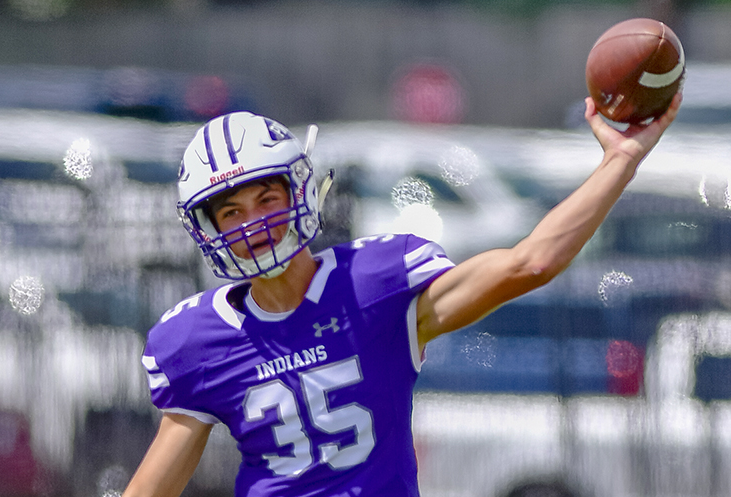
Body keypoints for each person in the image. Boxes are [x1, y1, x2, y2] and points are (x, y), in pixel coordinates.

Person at [122, 94, 681, 497]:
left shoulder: (372, 285)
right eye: (231, 212)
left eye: (267, 199)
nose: (253, 224)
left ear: (299, 190)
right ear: (208, 229)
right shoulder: (196, 342)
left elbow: (530, 262)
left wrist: (621, 160)